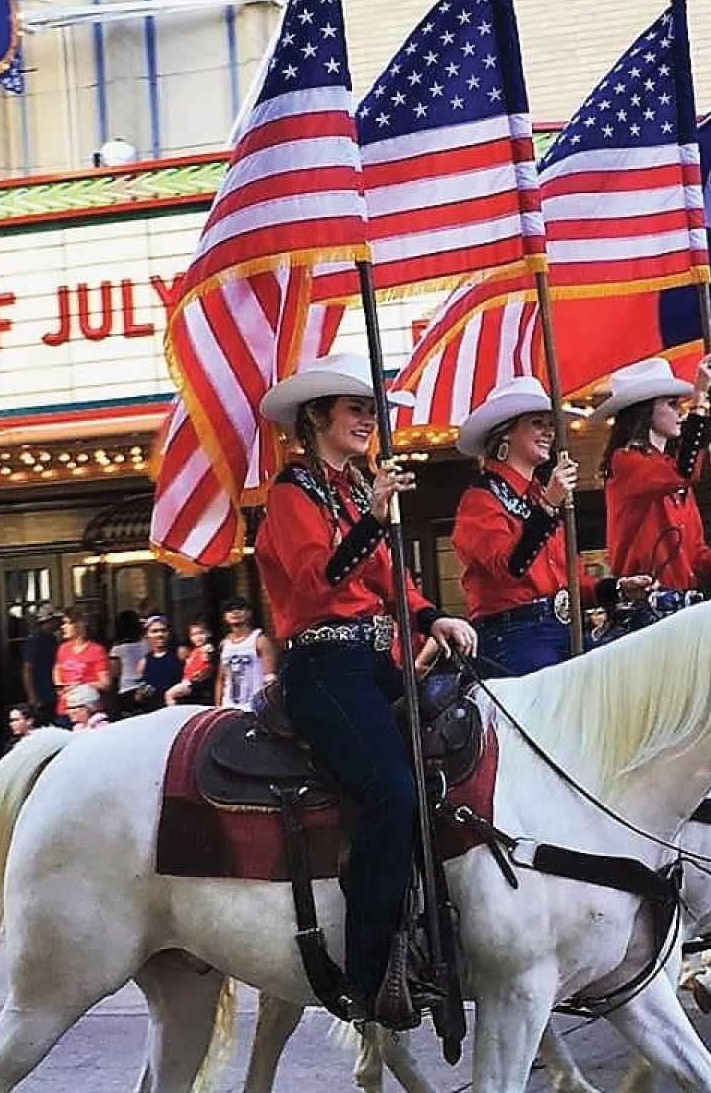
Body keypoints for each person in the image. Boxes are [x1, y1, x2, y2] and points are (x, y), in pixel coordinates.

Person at [255, 352, 477, 1023]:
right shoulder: (291, 492)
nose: (369, 421)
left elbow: (390, 581)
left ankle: (450, 922)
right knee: (391, 788)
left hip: (376, 658)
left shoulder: (353, 489)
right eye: (357, 409)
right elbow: (314, 579)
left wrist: (431, 614)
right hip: (323, 667)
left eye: (372, 411)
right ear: (317, 416)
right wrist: (375, 519)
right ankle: (369, 969)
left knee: (475, 744)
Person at [451, 376, 651, 674]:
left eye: (549, 424)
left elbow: (573, 583)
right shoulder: (481, 498)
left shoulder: (538, 496)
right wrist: (549, 504)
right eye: (537, 423)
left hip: (559, 630)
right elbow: (509, 567)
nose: (549, 432)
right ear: (505, 434)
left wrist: (618, 588)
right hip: (514, 635)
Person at [598, 354, 711, 596]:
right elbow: (684, 472)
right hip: (647, 601)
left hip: (682, 599)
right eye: (672, 404)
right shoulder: (626, 461)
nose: (680, 412)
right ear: (646, 411)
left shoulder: (670, 471)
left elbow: (697, 556)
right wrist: (699, 398)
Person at [215, 597, 276, 710]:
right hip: (228, 707)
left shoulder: (259, 640)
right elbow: (221, 679)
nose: (235, 612)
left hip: (253, 707)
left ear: (249, 613)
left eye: (240, 608)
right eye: (230, 610)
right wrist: (218, 706)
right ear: (225, 617)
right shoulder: (224, 644)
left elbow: (270, 677)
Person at [51, 609, 110, 726]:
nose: (63, 627)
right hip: (65, 708)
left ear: (79, 625)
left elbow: (105, 683)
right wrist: (59, 685)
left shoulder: (96, 650)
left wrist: (82, 685)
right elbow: (57, 668)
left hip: (86, 711)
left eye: (67, 623)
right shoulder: (63, 648)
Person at [132, 617, 184, 710]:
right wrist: (141, 693)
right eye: (154, 631)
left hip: (179, 708)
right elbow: (139, 697)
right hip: (155, 711)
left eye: (163, 630)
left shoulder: (180, 653)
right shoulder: (143, 662)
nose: (160, 634)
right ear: (147, 635)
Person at [21, 605, 61, 724]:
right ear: (49, 621)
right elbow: (27, 670)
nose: (59, 623)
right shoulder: (36, 641)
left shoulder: (52, 638)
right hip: (42, 694)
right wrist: (32, 697)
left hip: (52, 691)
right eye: (56, 620)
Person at [166, 618, 216, 706]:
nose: (198, 637)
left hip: (192, 682)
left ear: (208, 633)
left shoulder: (206, 647)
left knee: (169, 694)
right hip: (187, 680)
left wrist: (208, 656)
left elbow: (209, 658)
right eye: (194, 635)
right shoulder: (194, 651)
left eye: (201, 633)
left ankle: (172, 711)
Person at [108, 608, 149, 717]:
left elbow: (115, 673)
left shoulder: (117, 649)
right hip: (144, 687)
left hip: (126, 689)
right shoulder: (147, 644)